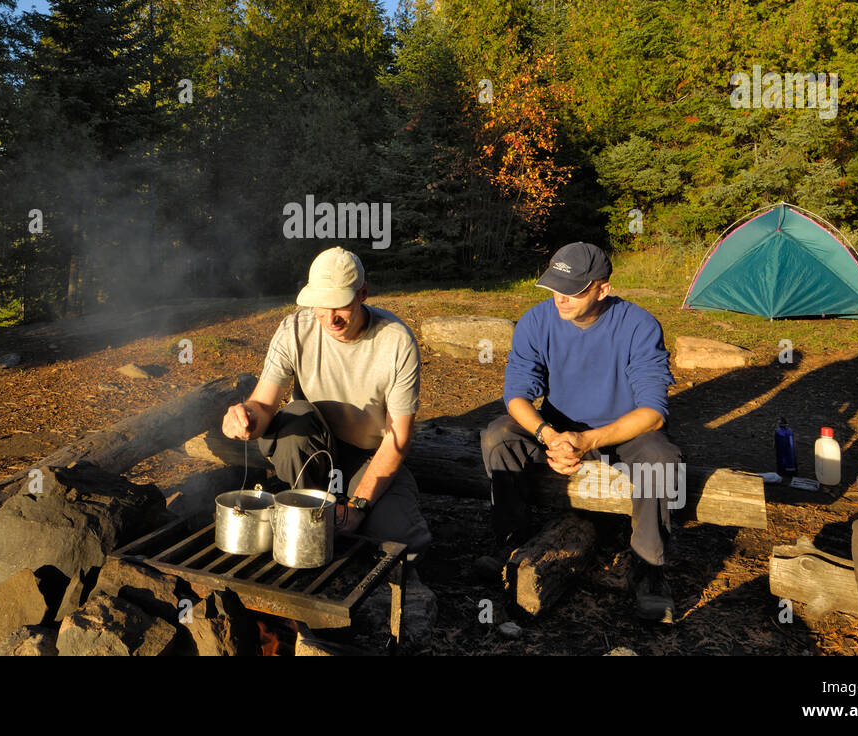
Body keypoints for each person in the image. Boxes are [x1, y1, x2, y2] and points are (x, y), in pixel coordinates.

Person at [479, 241, 681, 622]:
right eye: (554, 287)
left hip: (621, 431)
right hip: (558, 428)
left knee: (661, 456)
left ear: (602, 289)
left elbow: (653, 414)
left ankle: (648, 570)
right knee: (497, 435)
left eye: (572, 290)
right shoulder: (536, 321)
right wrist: (547, 435)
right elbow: (516, 396)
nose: (561, 298)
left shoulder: (638, 325)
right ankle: (512, 542)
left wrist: (589, 440)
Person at [221, 246, 430, 556]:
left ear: (363, 293)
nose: (330, 318)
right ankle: (310, 507)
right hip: (314, 448)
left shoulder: (396, 341)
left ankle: (340, 513)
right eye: (321, 305)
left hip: (369, 456)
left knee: (401, 540)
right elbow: (263, 406)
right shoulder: (294, 330)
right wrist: (244, 418)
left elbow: (397, 439)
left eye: (340, 305)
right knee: (297, 416)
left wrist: (358, 505)